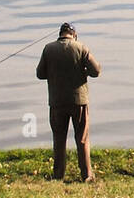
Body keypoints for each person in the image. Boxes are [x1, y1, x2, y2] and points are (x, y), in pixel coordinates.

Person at [36, 22, 101, 181]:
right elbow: (96, 71)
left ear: (60, 34)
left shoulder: (48, 48)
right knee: (82, 139)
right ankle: (86, 175)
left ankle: (58, 176)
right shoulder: (81, 48)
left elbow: (40, 74)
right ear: (74, 34)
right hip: (79, 101)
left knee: (59, 139)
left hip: (57, 101)